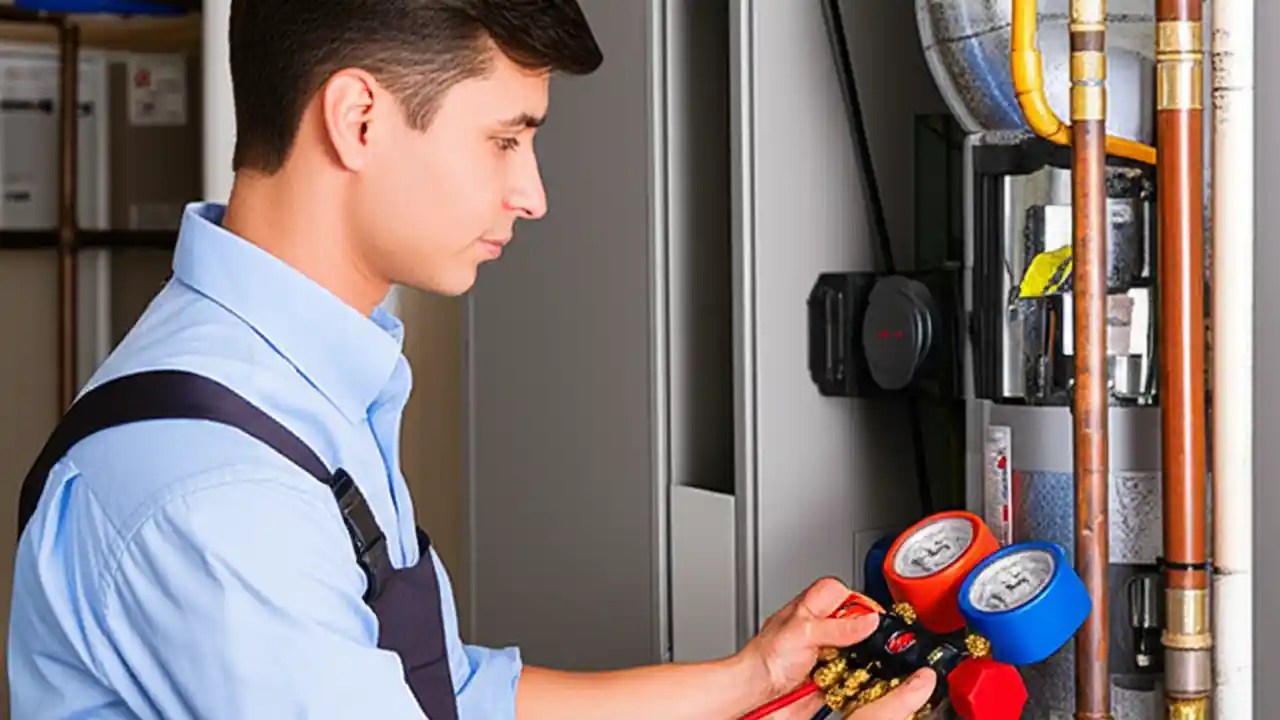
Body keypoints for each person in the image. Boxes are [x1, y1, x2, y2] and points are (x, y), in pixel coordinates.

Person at [8, 2, 936, 718]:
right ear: (359, 119)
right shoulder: (219, 492)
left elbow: (449, 695)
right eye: (505, 139)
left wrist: (747, 678)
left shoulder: (297, 381)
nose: (531, 194)